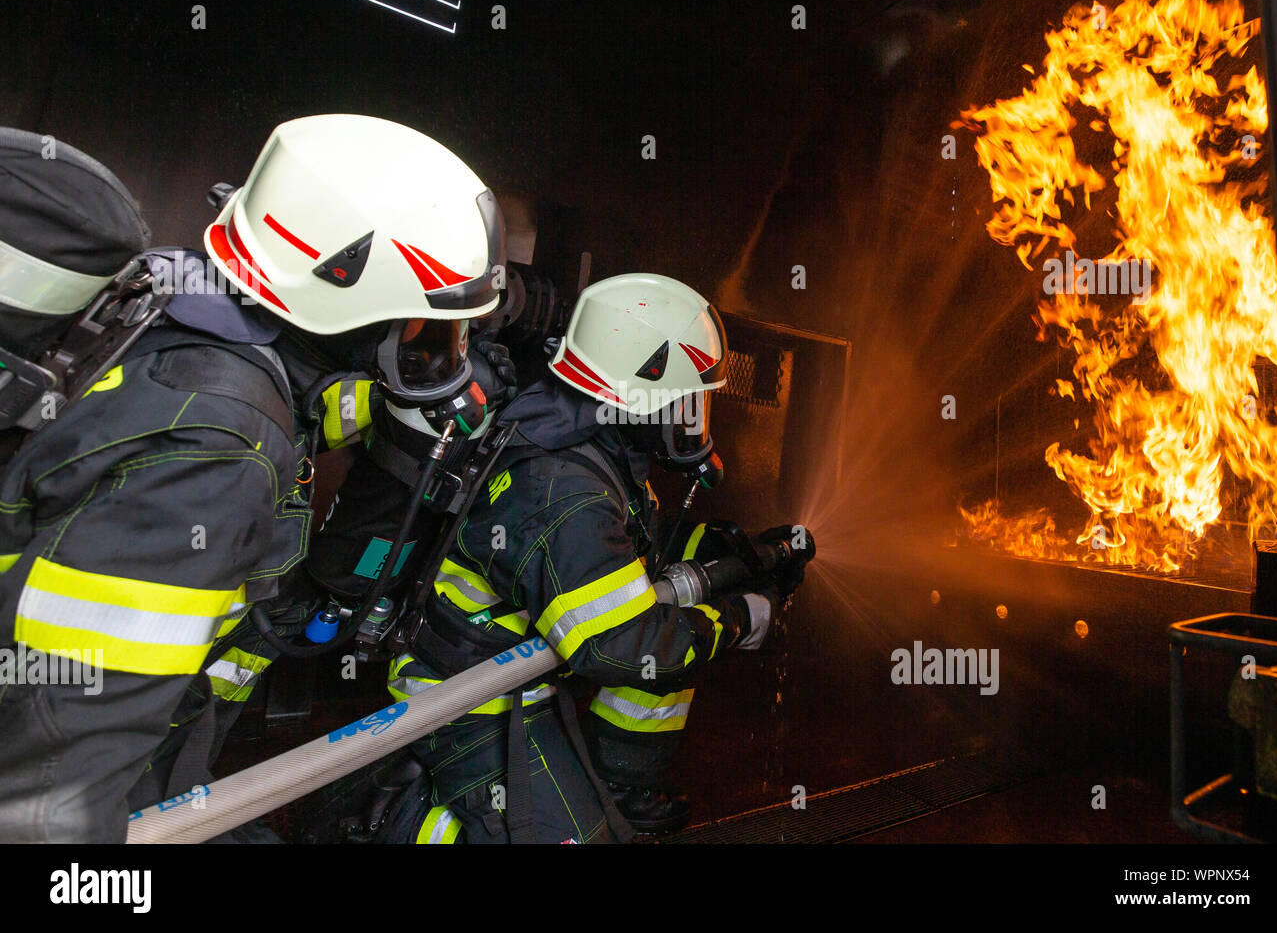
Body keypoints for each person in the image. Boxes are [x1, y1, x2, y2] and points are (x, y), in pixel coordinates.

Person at [0, 114, 508, 841]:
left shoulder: (185, 302)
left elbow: (290, 403)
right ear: (344, 289)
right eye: (423, 329)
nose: (436, 355)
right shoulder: (218, 453)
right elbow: (47, 795)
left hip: (159, 745)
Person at [384, 272, 805, 843]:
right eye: (691, 399)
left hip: (527, 670)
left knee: (665, 653)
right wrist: (742, 618)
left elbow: (627, 558)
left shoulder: (589, 441)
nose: (695, 416)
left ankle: (616, 788)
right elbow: (626, 647)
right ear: (647, 395)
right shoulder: (566, 491)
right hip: (468, 699)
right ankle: (392, 821)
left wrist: (735, 556)